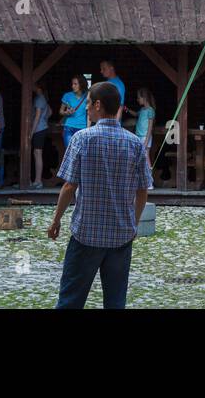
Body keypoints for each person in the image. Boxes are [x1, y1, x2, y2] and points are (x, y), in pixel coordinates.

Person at [48, 81, 152, 309]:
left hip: (86, 234)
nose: (86, 108)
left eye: (88, 103)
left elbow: (69, 186)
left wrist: (56, 220)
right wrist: (134, 223)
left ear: (98, 105)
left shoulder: (82, 139)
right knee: (115, 302)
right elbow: (143, 190)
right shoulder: (134, 144)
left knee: (70, 301)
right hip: (121, 235)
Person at [60, 75, 89, 158]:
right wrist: (67, 112)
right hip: (69, 127)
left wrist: (88, 128)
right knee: (70, 153)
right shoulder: (67, 95)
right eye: (72, 84)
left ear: (81, 84)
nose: (73, 86)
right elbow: (61, 111)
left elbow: (89, 114)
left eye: (75, 84)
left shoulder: (87, 96)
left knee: (81, 154)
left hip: (82, 128)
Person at [30, 80, 50, 188]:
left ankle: (38, 181)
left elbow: (37, 117)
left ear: (37, 86)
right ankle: (37, 180)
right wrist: (45, 119)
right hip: (42, 127)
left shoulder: (39, 99)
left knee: (37, 154)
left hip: (38, 129)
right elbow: (50, 111)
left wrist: (31, 132)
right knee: (37, 153)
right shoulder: (43, 98)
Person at [133, 88, 156, 154]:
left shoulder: (150, 110)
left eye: (139, 98)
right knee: (140, 156)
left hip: (145, 137)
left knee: (146, 156)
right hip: (139, 136)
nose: (137, 100)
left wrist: (146, 142)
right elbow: (135, 114)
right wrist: (126, 110)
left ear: (144, 98)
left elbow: (150, 128)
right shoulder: (142, 109)